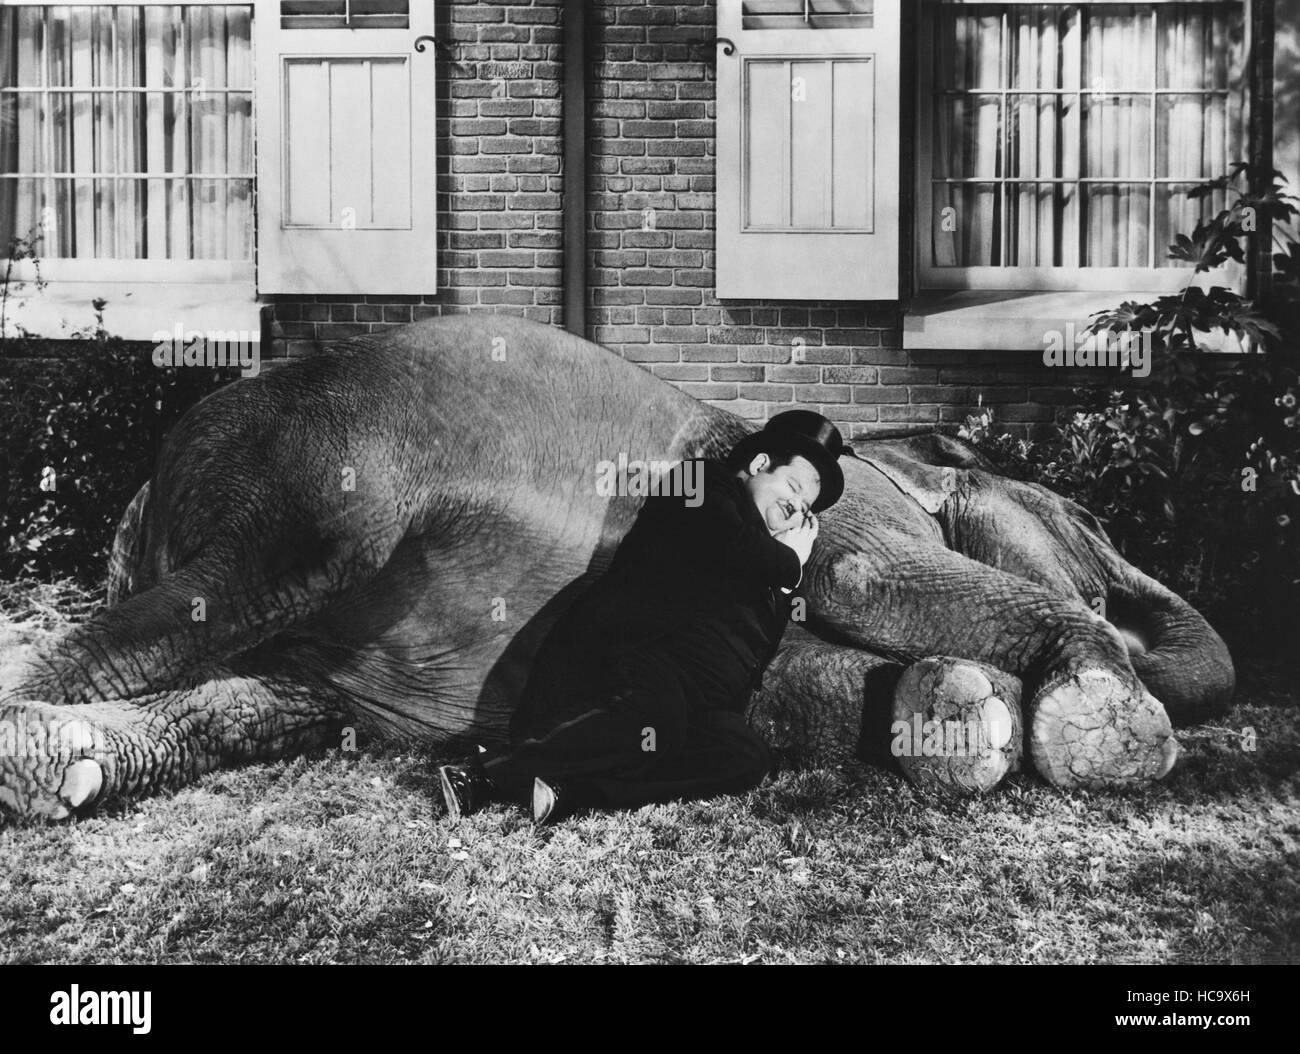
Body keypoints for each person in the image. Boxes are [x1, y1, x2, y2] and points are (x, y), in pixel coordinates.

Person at [438, 410, 850, 825]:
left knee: (743, 754)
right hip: (612, 676)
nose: (796, 507)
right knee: (658, 716)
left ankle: (569, 791)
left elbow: (752, 656)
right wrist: (790, 564)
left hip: (683, 709)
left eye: (805, 507)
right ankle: (485, 774)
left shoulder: (771, 569)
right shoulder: (699, 484)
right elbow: (726, 542)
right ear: (760, 465)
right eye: (793, 487)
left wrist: (781, 581)